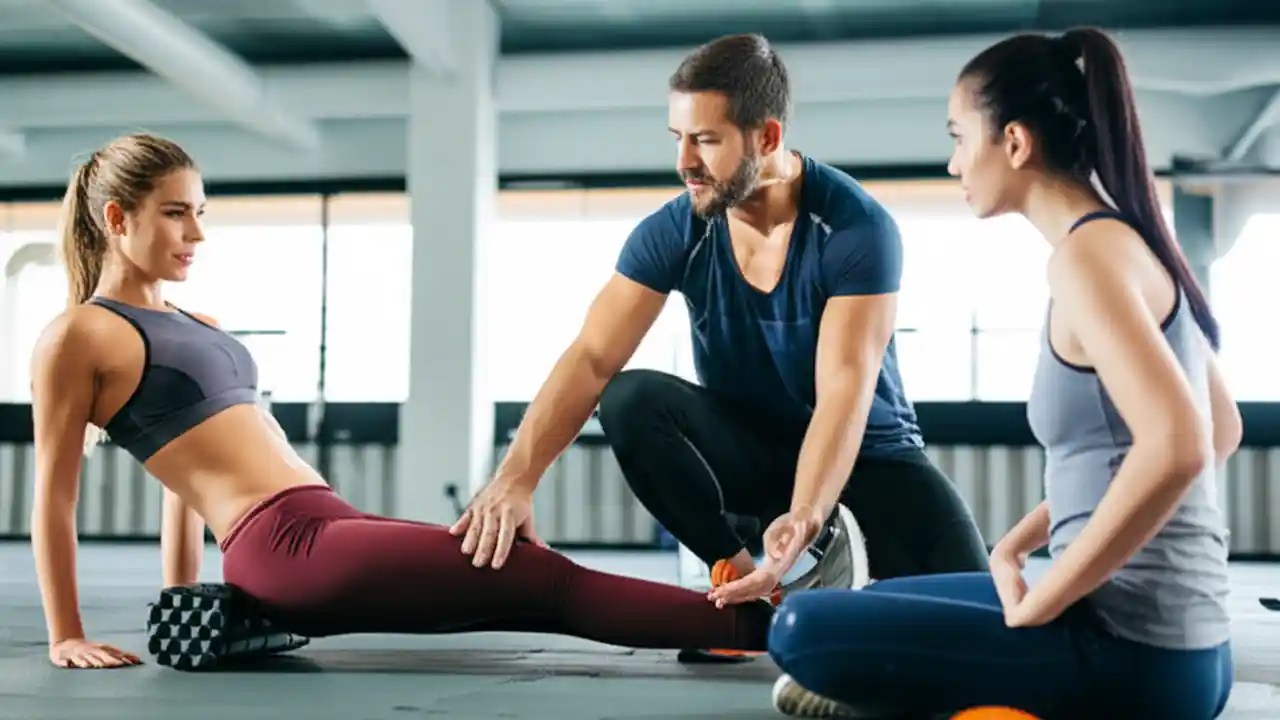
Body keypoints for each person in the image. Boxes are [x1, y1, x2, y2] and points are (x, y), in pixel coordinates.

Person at [28, 133, 774, 671]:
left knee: (522, 566)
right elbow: (54, 499)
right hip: (286, 548)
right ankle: (774, 623)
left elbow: (179, 497)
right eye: (173, 214)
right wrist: (66, 633)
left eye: (200, 213)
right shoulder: (79, 337)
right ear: (117, 219)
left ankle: (746, 618)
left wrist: (187, 605)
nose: (195, 234)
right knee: (550, 585)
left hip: (328, 522)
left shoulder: (199, 324)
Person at [755, 27, 1239, 720]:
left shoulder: (1087, 259)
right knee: (865, 604)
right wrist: (1014, 547)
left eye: (959, 137)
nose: (954, 163)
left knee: (799, 630)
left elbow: (1184, 445)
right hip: (1193, 656)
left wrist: (1049, 594)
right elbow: (1222, 428)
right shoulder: (1124, 243)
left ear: (1013, 142)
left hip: (1138, 659)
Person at [453, 33, 990, 613]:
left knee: (980, 622)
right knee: (630, 398)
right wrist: (514, 480)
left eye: (705, 140)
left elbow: (844, 393)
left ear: (767, 136)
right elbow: (591, 357)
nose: (684, 161)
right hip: (754, 457)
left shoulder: (856, 229)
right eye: (678, 138)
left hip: (870, 458)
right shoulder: (675, 231)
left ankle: (824, 555)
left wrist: (807, 516)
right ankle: (735, 581)